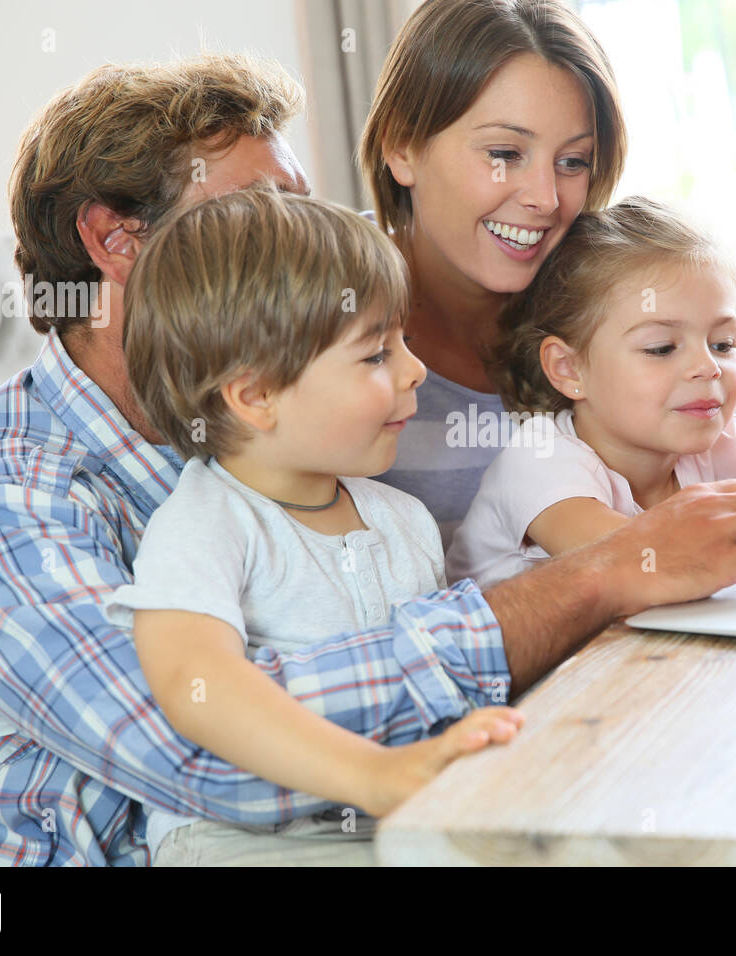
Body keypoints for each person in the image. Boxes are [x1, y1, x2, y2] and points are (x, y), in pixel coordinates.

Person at [0, 52, 736, 865]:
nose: (313, 249)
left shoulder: (305, 440)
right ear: (118, 241)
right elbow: (200, 742)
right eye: (259, 216)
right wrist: (591, 579)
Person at [358, 0, 736, 551]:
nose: (546, 198)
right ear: (402, 146)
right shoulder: (322, 320)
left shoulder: (632, 288)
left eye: (574, 161)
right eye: (503, 154)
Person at [107, 188, 524, 864]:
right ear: (257, 396)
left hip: (383, 814)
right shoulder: (207, 522)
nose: (416, 371)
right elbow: (191, 678)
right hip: (243, 841)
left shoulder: (403, 518)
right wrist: (374, 774)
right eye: (375, 355)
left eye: (404, 342)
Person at [448, 197, 736, 588]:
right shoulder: (540, 461)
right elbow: (643, 561)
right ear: (568, 370)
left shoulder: (711, 445)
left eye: (724, 344)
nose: (706, 367)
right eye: (661, 348)